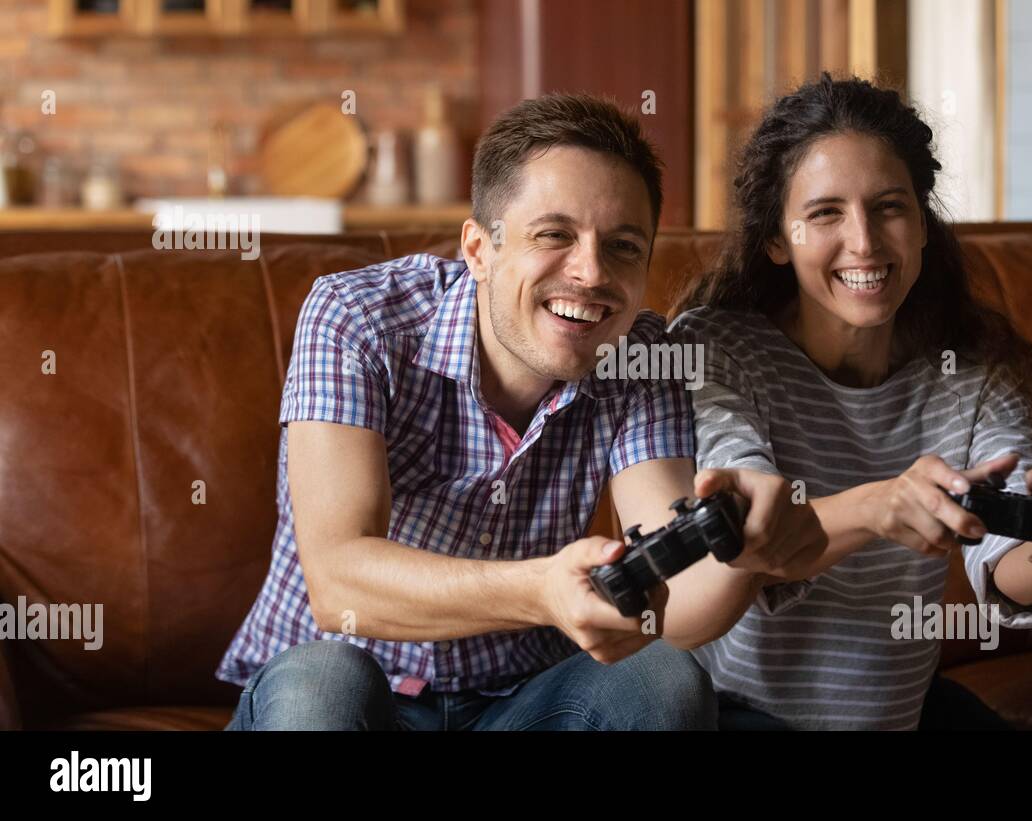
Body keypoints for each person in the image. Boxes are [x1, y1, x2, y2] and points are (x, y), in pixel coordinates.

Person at [216, 92, 826, 731]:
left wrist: (745, 550)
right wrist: (538, 590)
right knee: (325, 683)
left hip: (519, 705)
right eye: (554, 234)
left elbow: (678, 609)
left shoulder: (638, 355)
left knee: (662, 677)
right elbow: (339, 581)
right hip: (348, 689)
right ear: (478, 249)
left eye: (622, 246)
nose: (591, 273)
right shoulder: (357, 319)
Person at [666, 74, 1032, 730]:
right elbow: (751, 529)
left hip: (898, 715)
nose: (865, 241)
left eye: (888, 207)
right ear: (775, 238)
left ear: (922, 224)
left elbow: (1007, 559)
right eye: (825, 213)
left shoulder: (974, 371)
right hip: (738, 714)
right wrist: (879, 505)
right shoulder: (716, 351)